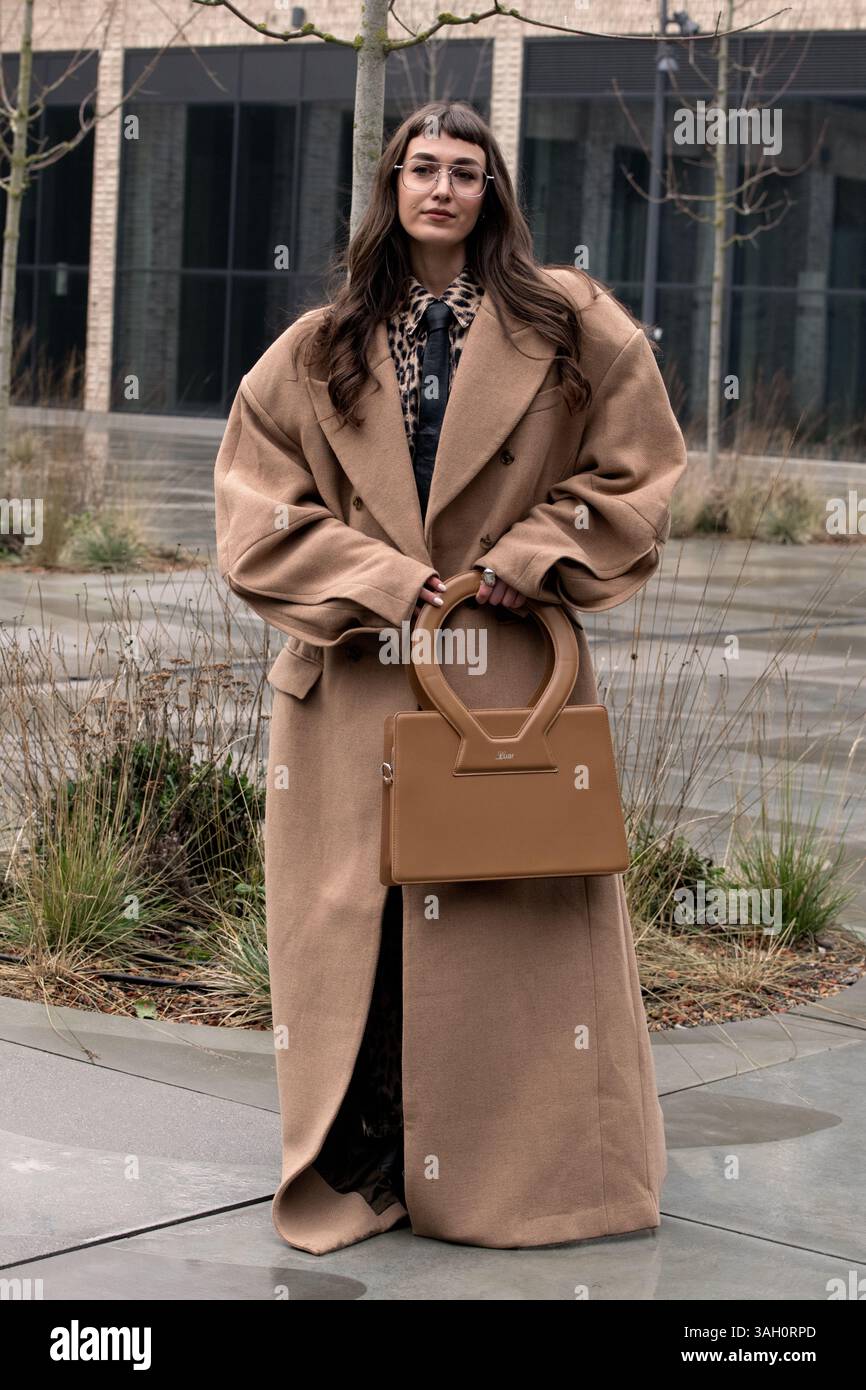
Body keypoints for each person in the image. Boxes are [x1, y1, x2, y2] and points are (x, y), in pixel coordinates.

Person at [213, 100, 688, 1256]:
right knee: (359, 933)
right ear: (390, 184)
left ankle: (520, 1173)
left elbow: (640, 465)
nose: (441, 188)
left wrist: (531, 554)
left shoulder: (565, 320)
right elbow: (253, 509)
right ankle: (367, 1162)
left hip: (503, 677)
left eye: (464, 172)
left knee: (509, 935)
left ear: (492, 191)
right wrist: (380, 576)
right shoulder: (323, 342)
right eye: (421, 167)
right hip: (351, 688)